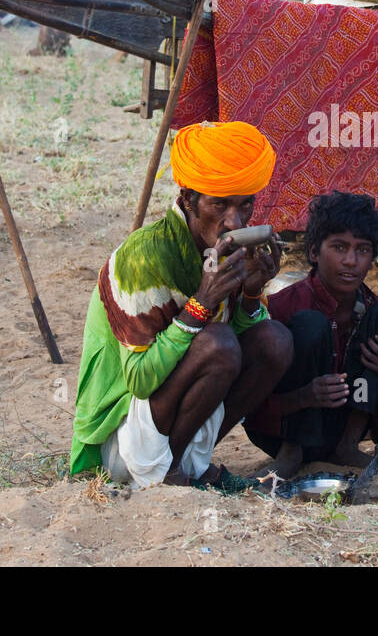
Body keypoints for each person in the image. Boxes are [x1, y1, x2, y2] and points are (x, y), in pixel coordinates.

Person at [70, 122, 292, 489]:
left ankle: (191, 460)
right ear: (188, 200)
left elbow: (239, 352)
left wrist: (251, 294)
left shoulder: (223, 251)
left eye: (245, 204)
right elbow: (140, 381)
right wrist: (200, 306)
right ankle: (168, 473)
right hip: (122, 444)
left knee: (275, 340)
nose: (234, 222)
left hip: (167, 427)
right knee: (217, 342)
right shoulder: (144, 258)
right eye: (219, 204)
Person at [247, 192, 378, 475]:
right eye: (339, 247)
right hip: (283, 424)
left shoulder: (372, 310)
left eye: (362, 250)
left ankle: (347, 445)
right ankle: (292, 449)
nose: (351, 261)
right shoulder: (281, 307)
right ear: (313, 252)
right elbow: (250, 404)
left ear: (373, 257)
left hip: (342, 425)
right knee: (310, 325)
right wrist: (304, 396)